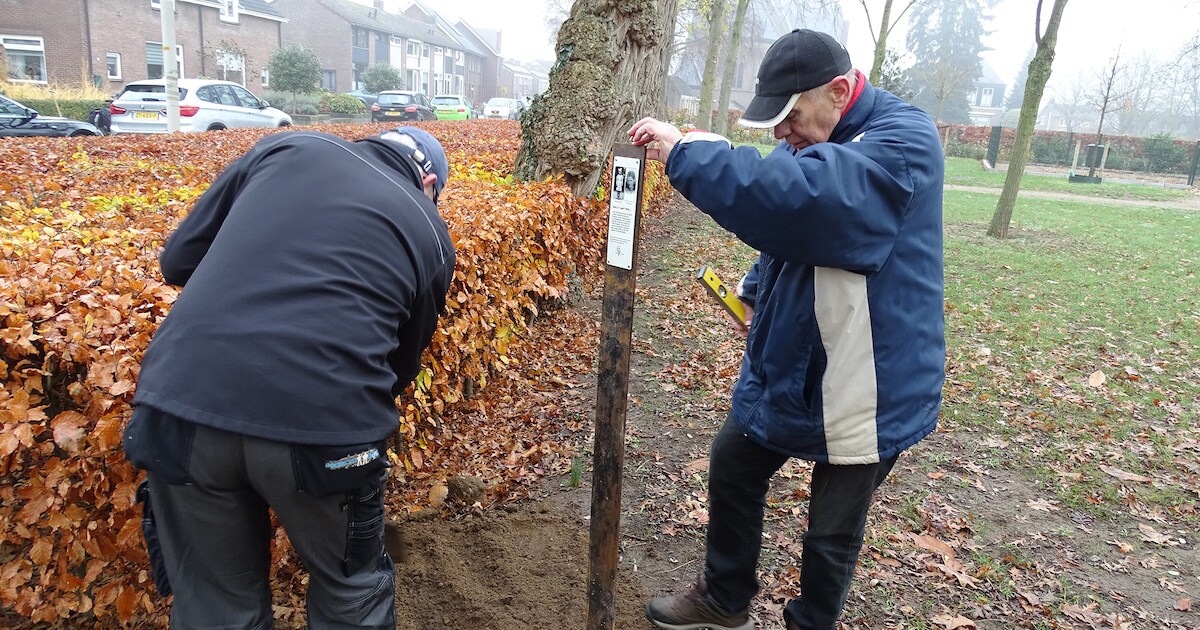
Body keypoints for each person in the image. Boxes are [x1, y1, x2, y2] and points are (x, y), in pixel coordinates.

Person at [629, 28, 945, 630]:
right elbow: (786, 234)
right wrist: (753, 291)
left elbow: (804, 202)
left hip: (869, 377)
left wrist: (690, 154)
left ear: (839, 90)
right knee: (734, 465)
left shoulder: (901, 143)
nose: (781, 133)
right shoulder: (818, 134)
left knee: (831, 530)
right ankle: (724, 599)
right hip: (795, 359)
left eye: (789, 116)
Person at [122, 126, 456, 629]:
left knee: (215, 606)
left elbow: (177, 261)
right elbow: (400, 365)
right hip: (324, 422)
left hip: (179, 404)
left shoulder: (289, 146)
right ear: (427, 180)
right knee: (351, 593)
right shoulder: (430, 231)